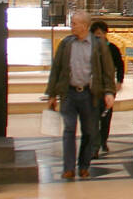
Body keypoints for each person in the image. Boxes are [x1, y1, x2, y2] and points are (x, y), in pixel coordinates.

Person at [44, 11, 117, 180]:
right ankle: (68, 168)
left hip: (89, 94)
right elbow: (56, 69)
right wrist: (52, 93)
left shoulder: (98, 46)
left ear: (84, 26)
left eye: (75, 23)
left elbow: (108, 70)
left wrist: (109, 92)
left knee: (90, 131)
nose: (72, 26)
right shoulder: (66, 44)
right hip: (69, 93)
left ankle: (84, 165)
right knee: (69, 130)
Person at [90, 19, 125, 156]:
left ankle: (103, 140)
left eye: (100, 33)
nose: (98, 36)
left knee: (105, 117)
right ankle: (95, 146)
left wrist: (119, 80)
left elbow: (120, 65)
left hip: (108, 88)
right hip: (93, 88)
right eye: (95, 34)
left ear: (105, 34)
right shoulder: (89, 48)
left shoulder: (112, 48)